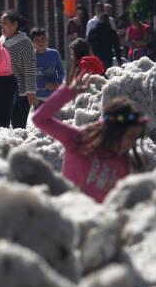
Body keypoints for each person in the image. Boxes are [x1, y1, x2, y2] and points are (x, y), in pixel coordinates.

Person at [32, 70, 147, 203]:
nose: (133, 144)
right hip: (67, 214)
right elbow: (39, 119)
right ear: (114, 130)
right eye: (130, 137)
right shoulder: (79, 140)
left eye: (136, 138)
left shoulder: (124, 163)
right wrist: (68, 93)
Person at [0, 10, 38, 128]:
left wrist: (31, 93)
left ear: (15, 24)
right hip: (3, 91)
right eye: (1, 23)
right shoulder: (1, 41)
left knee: (18, 126)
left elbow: (30, 69)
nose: (2, 27)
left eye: (5, 23)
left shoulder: (25, 43)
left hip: (20, 93)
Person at [31, 27, 65, 106]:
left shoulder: (54, 53)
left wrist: (58, 82)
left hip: (54, 96)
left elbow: (61, 72)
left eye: (43, 39)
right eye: (37, 40)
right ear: (32, 42)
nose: (40, 42)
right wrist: (43, 84)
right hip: (38, 98)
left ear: (46, 39)